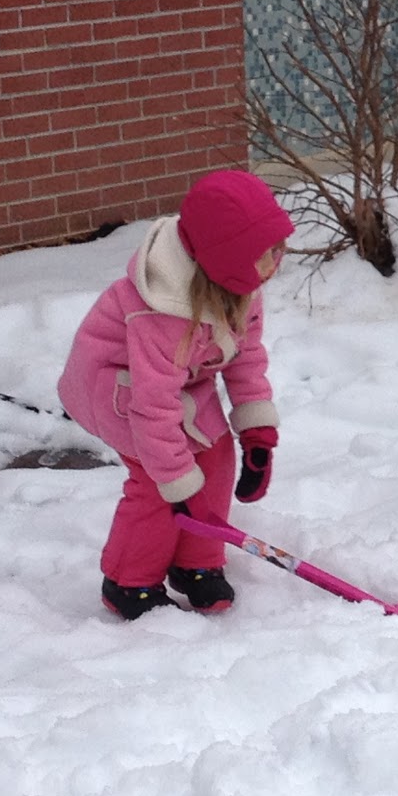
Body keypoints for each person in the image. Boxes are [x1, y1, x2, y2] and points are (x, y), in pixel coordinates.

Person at [58, 169, 294, 619]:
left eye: (277, 251)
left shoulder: (240, 287)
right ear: (226, 259)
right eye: (263, 255)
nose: (273, 265)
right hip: (115, 382)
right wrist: (176, 480)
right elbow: (153, 404)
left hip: (182, 378)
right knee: (155, 481)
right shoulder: (159, 313)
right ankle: (129, 581)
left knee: (216, 454)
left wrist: (258, 433)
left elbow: (245, 356)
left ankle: (197, 562)